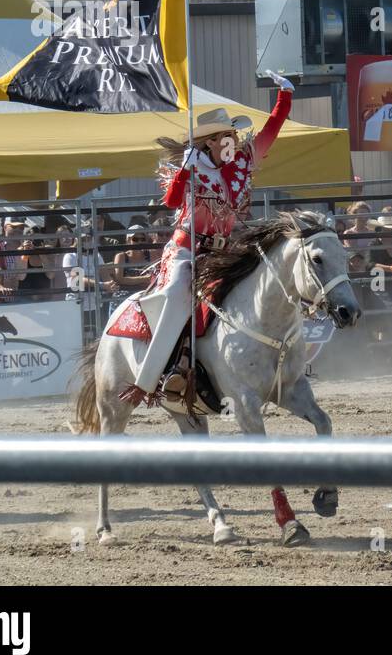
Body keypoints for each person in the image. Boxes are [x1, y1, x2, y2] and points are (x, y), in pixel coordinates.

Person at [117, 71, 294, 407]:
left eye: (232, 134)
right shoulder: (193, 168)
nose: (232, 139)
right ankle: (149, 379)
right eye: (225, 135)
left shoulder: (242, 161)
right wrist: (185, 169)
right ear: (210, 142)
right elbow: (171, 202)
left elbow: (271, 131)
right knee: (177, 294)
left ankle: (278, 358)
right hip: (187, 249)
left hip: (227, 250)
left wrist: (285, 95)